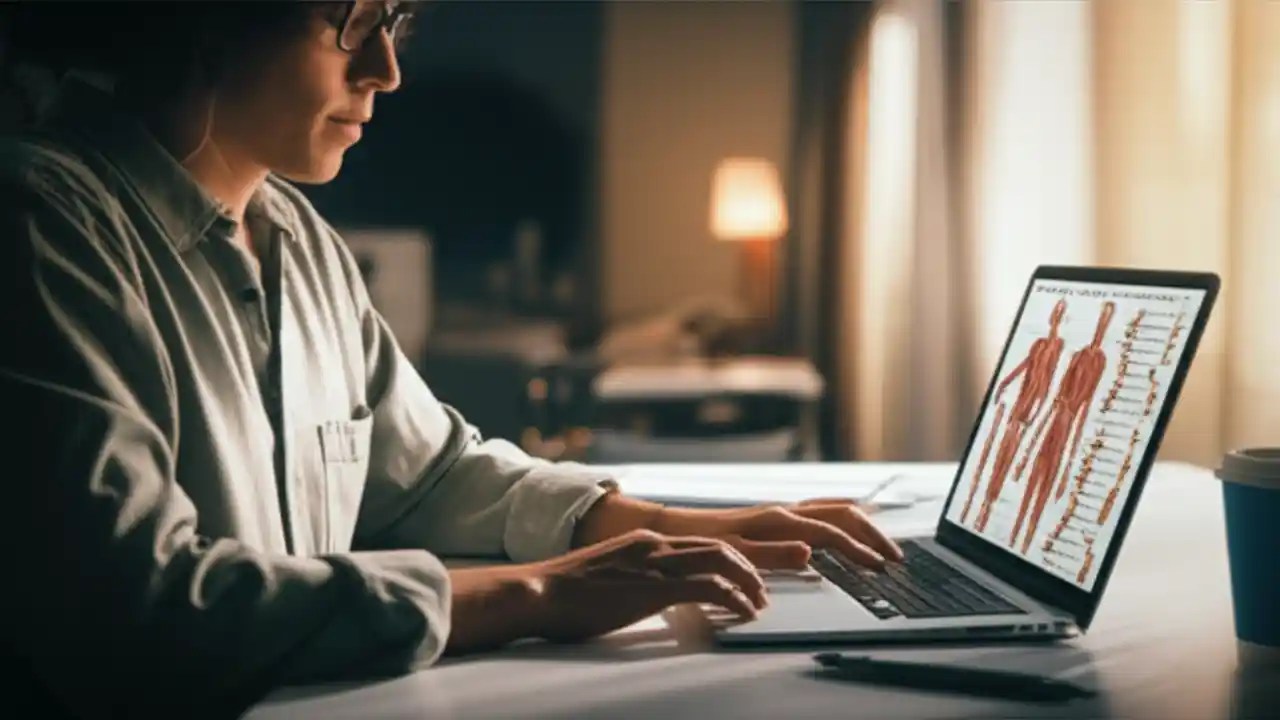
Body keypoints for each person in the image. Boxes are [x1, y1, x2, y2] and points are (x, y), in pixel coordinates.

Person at [0, 2, 902, 717]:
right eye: (351, 22)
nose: (385, 70)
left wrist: (675, 522)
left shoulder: (298, 240)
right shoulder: (40, 224)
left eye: (394, 27)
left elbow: (430, 474)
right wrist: (536, 594)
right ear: (210, 17)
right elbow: (143, 614)